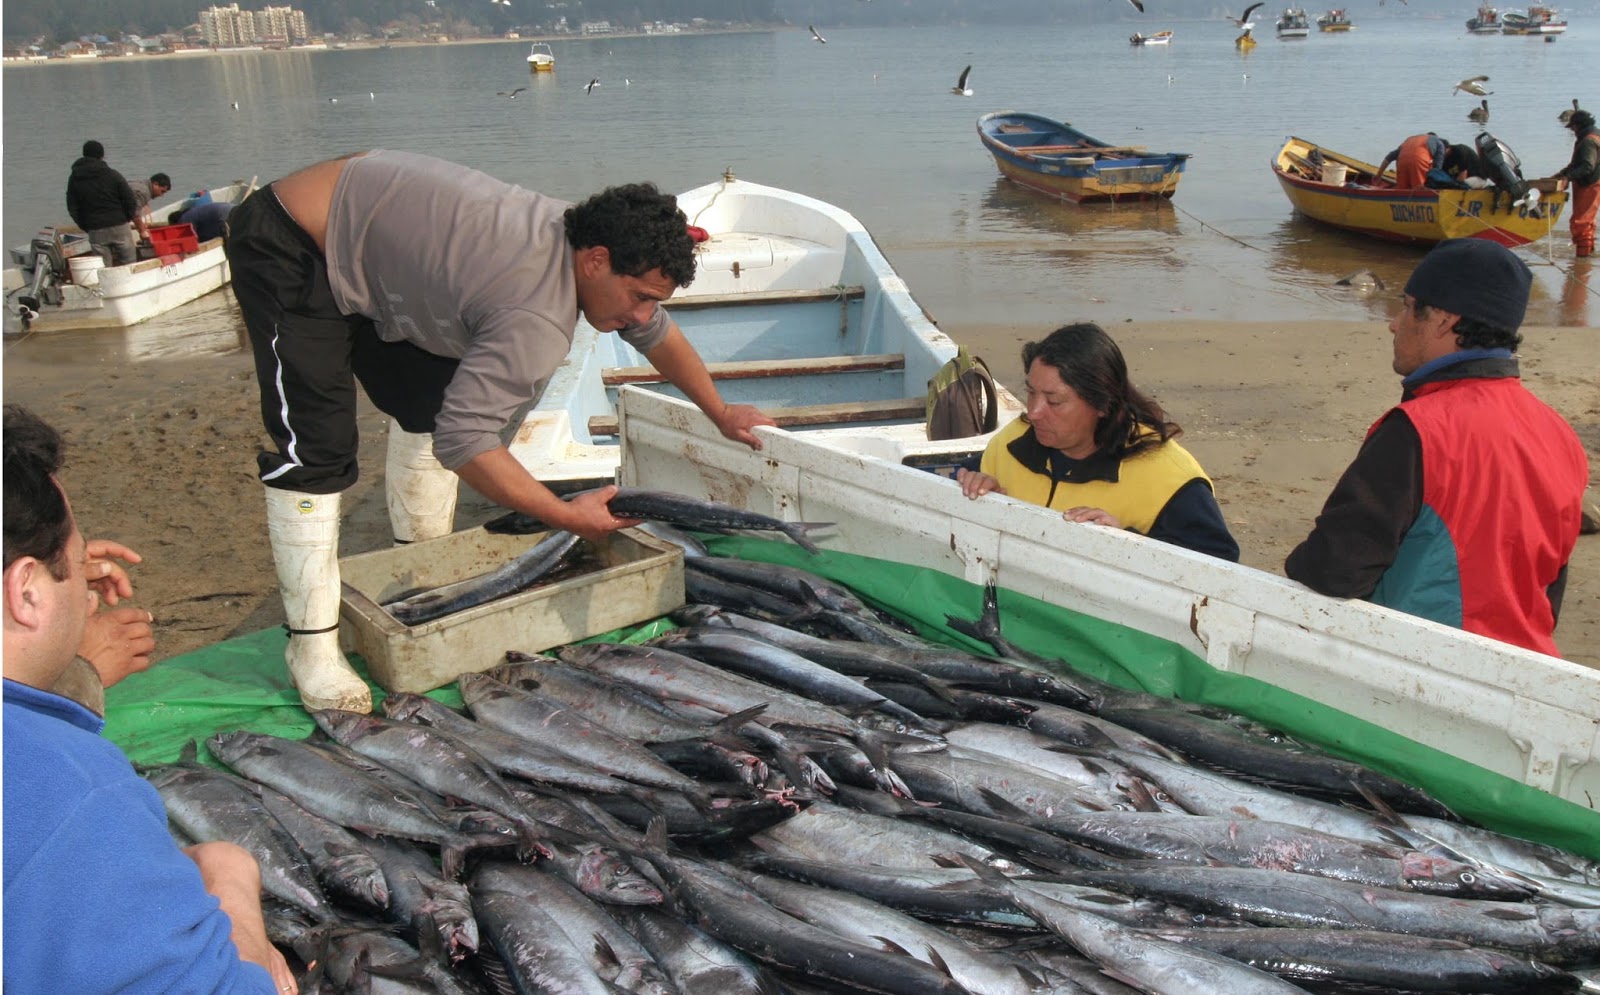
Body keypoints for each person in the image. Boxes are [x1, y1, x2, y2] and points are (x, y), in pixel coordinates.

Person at [224, 151, 776, 713]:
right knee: (316, 448)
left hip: (372, 232)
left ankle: (422, 561)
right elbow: (465, 442)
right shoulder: (535, 317)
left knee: (429, 403)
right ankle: (310, 649)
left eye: (653, 301)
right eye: (639, 297)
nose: (642, 314)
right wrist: (563, 515)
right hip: (290, 238)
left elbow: (657, 335)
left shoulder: (588, 236)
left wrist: (720, 411)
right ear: (596, 260)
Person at [3, 404, 293, 994]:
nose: (88, 574)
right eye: (76, 559)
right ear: (24, 590)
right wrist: (231, 880)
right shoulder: (73, 796)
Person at [1285, 240, 1587, 656]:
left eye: (1408, 306)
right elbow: (1551, 585)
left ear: (1443, 320)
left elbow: (1334, 570)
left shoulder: (1417, 429)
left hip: (1426, 664)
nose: (1395, 323)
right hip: (1525, 666)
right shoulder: (1559, 434)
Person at [955, 323, 1240, 561]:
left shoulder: (1169, 477)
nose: (1034, 412)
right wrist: (973, 482)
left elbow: (1220, 562)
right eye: (1031, 393)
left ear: (1103, 404)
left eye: (1054, 401)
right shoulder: (1012, 442)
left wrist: (1129, 544)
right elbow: (960, 476)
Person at [64, 139, 146, 265]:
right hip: (119, 225)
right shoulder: (112, 174)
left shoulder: (75, 178)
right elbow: (129, 199)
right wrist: (126, 218)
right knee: (129, 263)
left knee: (103, 267)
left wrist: (86, 226)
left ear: (84, 155)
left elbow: (72, 207)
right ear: (102, 156)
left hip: (95, 228)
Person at [1551, 109, 1599, 257]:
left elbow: (1586, 166)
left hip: (1589, 184)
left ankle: (1582, 260)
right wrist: (1562, 173)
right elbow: (1577, 163)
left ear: (1579, 126)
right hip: (1593, 183)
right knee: (1587, 221)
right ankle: (1588, 254)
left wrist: (1567, 177)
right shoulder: (1595, 136)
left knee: (1581, 222)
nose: (1572, 130)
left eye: (1573, 127)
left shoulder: (1588, 141)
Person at [1374, 132, 1449, 190]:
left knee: (1402, 190)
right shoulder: (1440, 143)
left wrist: (1378, 176)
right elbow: (1437, 169)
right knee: (1419, 189)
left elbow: (1388, 159)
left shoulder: (1411, 139)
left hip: (1402, 161)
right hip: (1419, 159)